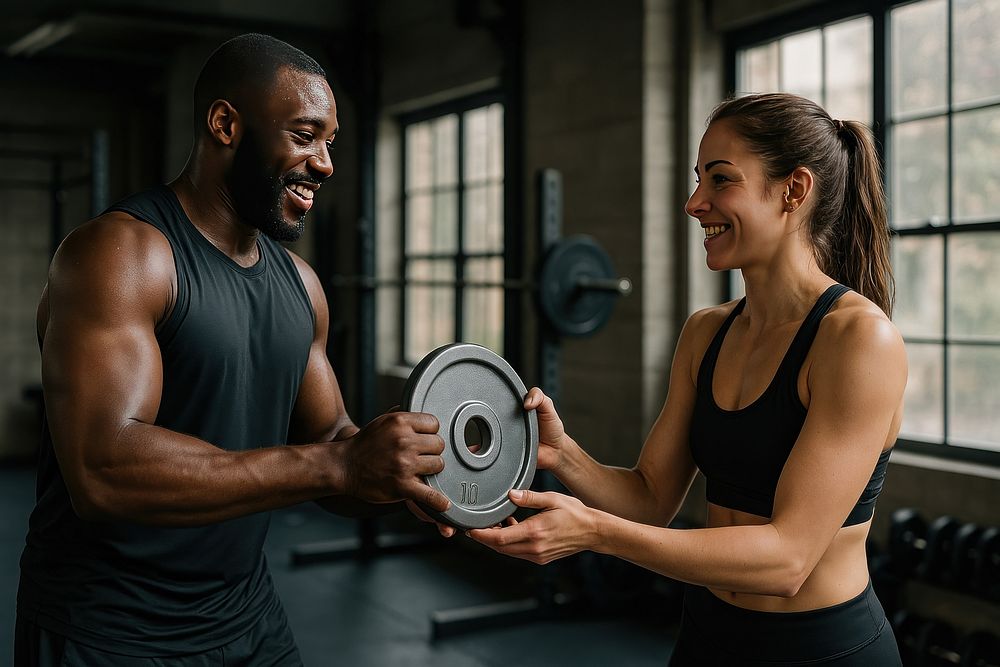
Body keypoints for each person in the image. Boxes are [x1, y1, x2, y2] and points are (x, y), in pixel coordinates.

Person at [15, 33, 450, 666]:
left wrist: (412, 480)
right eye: (305, 136)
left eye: (331, 143)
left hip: (246, 619)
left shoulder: (300, 286)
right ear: (225, 124)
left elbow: (332, 438)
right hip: (109, 632)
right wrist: (340, 466)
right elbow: (103, 468)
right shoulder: (123, 256)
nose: (326, 164)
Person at [468, 93, 907, 666]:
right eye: (698, 179)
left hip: (821, 649)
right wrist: (562, 454)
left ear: (793, 191)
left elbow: (788, 559)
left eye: (721, 180)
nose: (695, 203)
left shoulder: (857, 340)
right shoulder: (707, 332)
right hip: (707, 637)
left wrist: (594, 532)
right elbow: (651, 499)